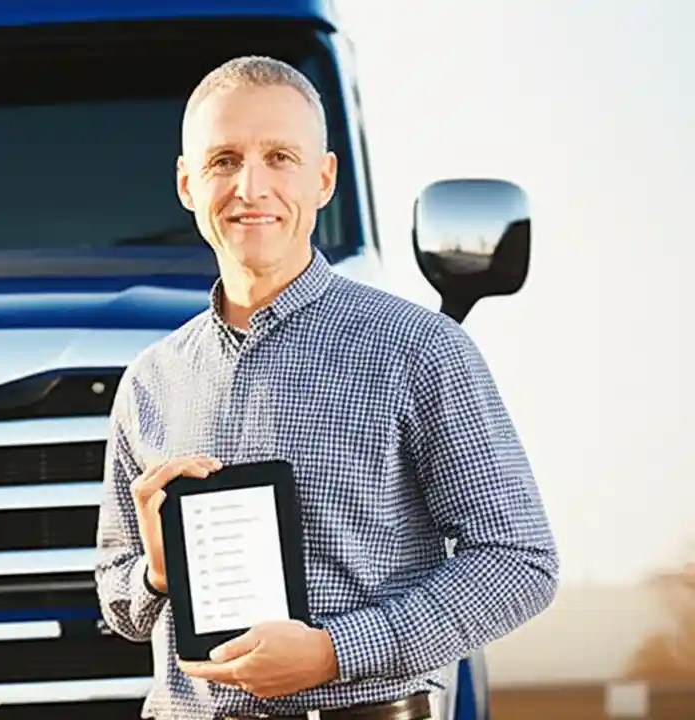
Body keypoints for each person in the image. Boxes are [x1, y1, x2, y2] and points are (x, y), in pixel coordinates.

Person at [93, 55, 558, 720]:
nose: (250, 186)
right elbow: (119, 594)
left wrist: (334, 652)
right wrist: (156, 574)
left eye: (279, 157)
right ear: (188, 183)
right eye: (223, 160)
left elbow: (520, 562)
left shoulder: (419, 349)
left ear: (324, 177)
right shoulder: (151, 380)